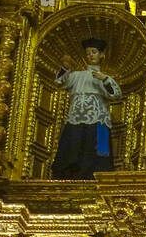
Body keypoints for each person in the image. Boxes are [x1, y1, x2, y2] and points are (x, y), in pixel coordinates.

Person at [51, 38, 122, 179]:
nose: (90, 55)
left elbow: (116, 95)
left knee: (101, 153)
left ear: (102, 55)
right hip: (77, 119)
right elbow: (59, 82)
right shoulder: (77, 76)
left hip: (100, 120)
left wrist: (104, 79)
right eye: (88, 53)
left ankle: (101, 177)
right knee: (73, 147)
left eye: (94, 52)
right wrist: (65, 67)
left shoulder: (106, 78)